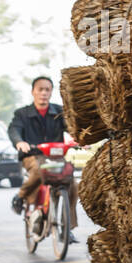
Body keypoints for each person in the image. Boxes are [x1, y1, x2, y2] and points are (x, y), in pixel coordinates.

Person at [8, 76, 79, 239]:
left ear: (51, 92)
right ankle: (20, 196)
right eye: (40, 89)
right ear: (33, 91)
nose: (43, 93)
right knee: (40, 171)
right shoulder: (22, 114)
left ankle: (67, 229)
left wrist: (79, 138)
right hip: (33, 156)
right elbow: (14, 130)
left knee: (73, 185)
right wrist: (20, 142)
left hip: (56, 157)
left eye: (47, 89)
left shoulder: (59, 112)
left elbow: (72, 128)